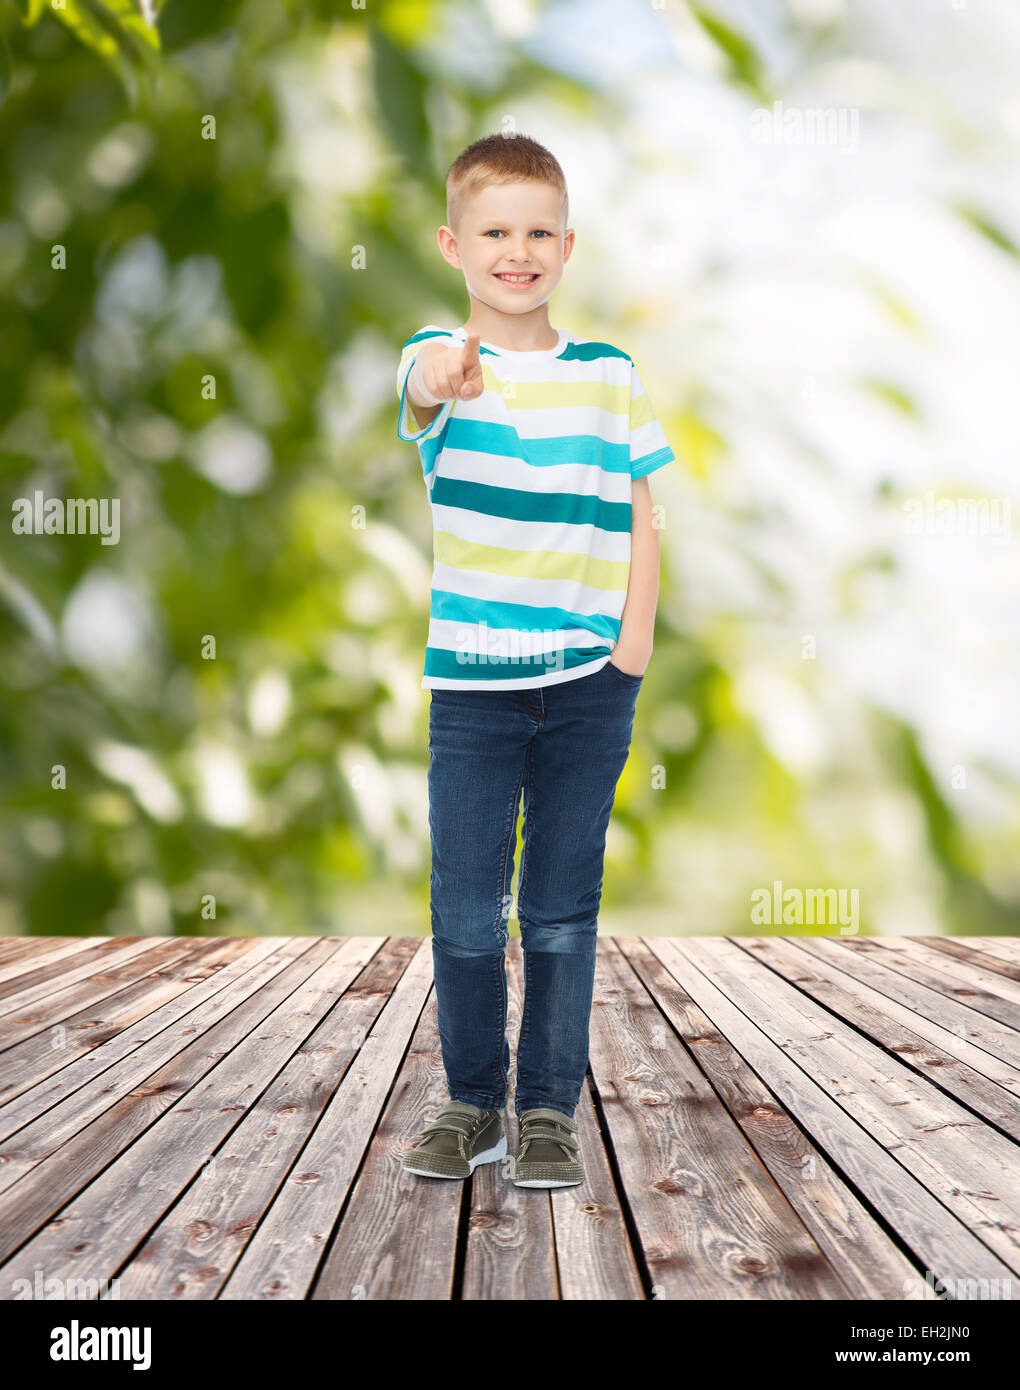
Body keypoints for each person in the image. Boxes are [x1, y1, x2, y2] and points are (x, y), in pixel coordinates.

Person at [396, 132, 675, 1189]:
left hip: (589, 683)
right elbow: (421, 383)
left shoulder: (611, 375)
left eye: (539, 232)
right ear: (455, 244)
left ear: (569, 244)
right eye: (496, 232)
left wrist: (631, 643)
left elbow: (645, 506)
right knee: (467, 907)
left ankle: (550, 1106)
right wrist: (446, 371)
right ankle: (473, 1102)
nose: (519, 251)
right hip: (474, 685)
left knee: (561, 906)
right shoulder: (442, 360)